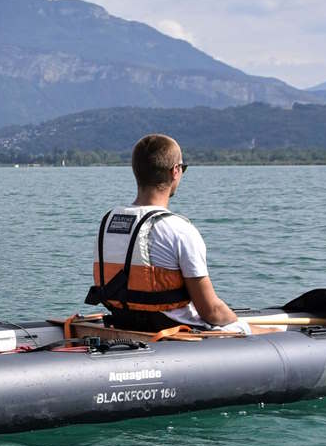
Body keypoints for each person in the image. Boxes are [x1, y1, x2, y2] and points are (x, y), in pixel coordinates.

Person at [85, 133, 251, 334]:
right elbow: (210, 311)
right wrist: (242, 324)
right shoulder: (179, 230)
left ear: (136, 171)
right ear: (175, 171)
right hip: (171, 331)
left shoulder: (108, 222)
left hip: (122, 324)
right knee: (254, 331)